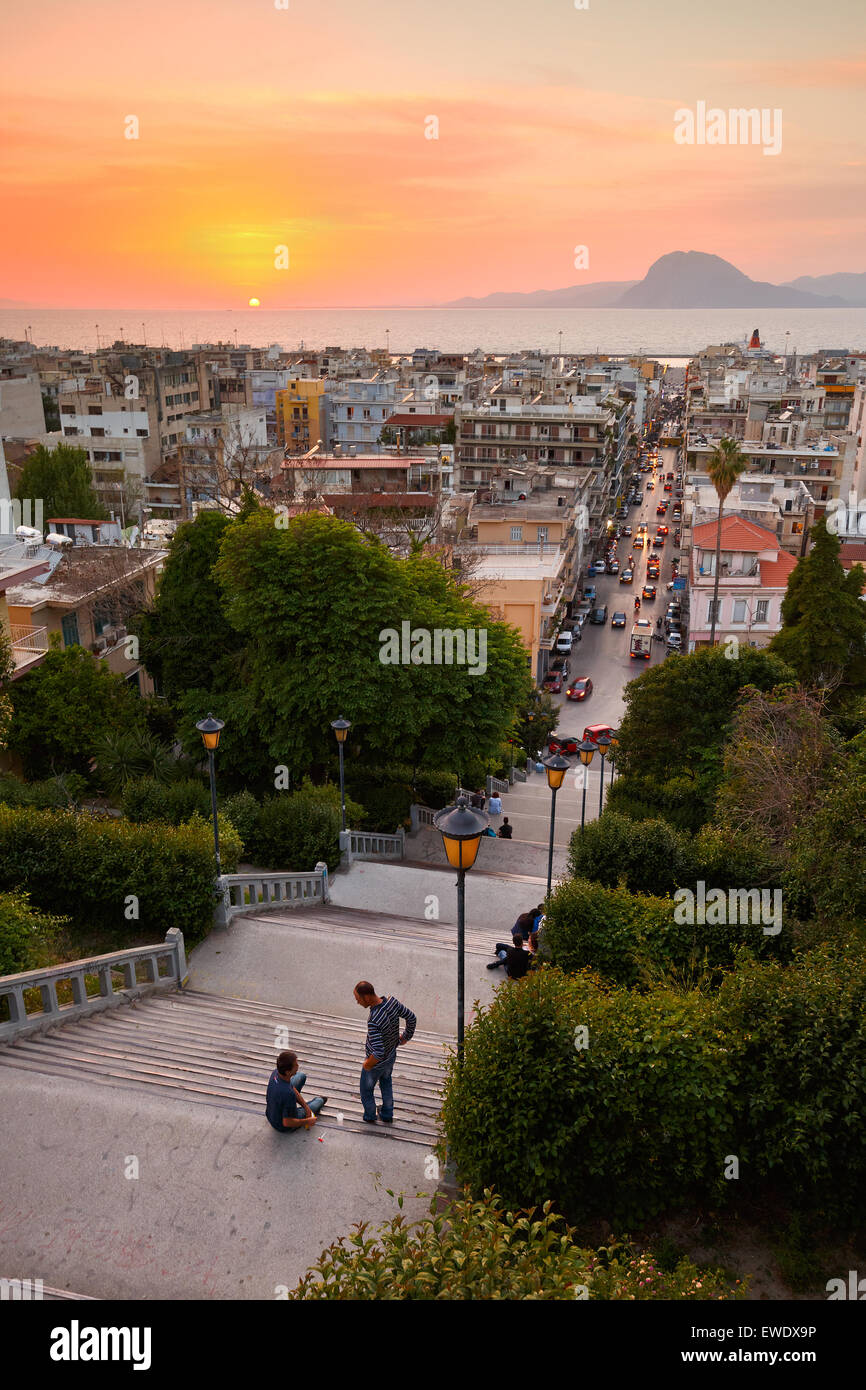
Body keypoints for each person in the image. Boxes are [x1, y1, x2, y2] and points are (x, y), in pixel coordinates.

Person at [354, 981, 416, 1125]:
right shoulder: (392, 1003)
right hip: (391, 1056)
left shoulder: (374, 1020)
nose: (357, 1002)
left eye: (358, 998)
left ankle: (370, 1116)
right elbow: (411, 1017)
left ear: (367, 998)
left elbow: (378, 1052)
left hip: (376, 1064)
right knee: (386, 1083)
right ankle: (387, 1114)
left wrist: (367, 1064)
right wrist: (405, 1037)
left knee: (366, 1090)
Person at [265, 1051, 327, 1133]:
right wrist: (307, 1121)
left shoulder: (276, 1072)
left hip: (271, 1114)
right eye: (296, 1065)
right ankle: (318, 1101)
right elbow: (287, 1122)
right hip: (282, 1125)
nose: (298, 1066)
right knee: (319, 1101)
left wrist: (306, 1107)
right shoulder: (288, 1094)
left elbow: (291, 1088)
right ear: (288, 1072)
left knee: (301, 1076)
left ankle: (304, 1108)